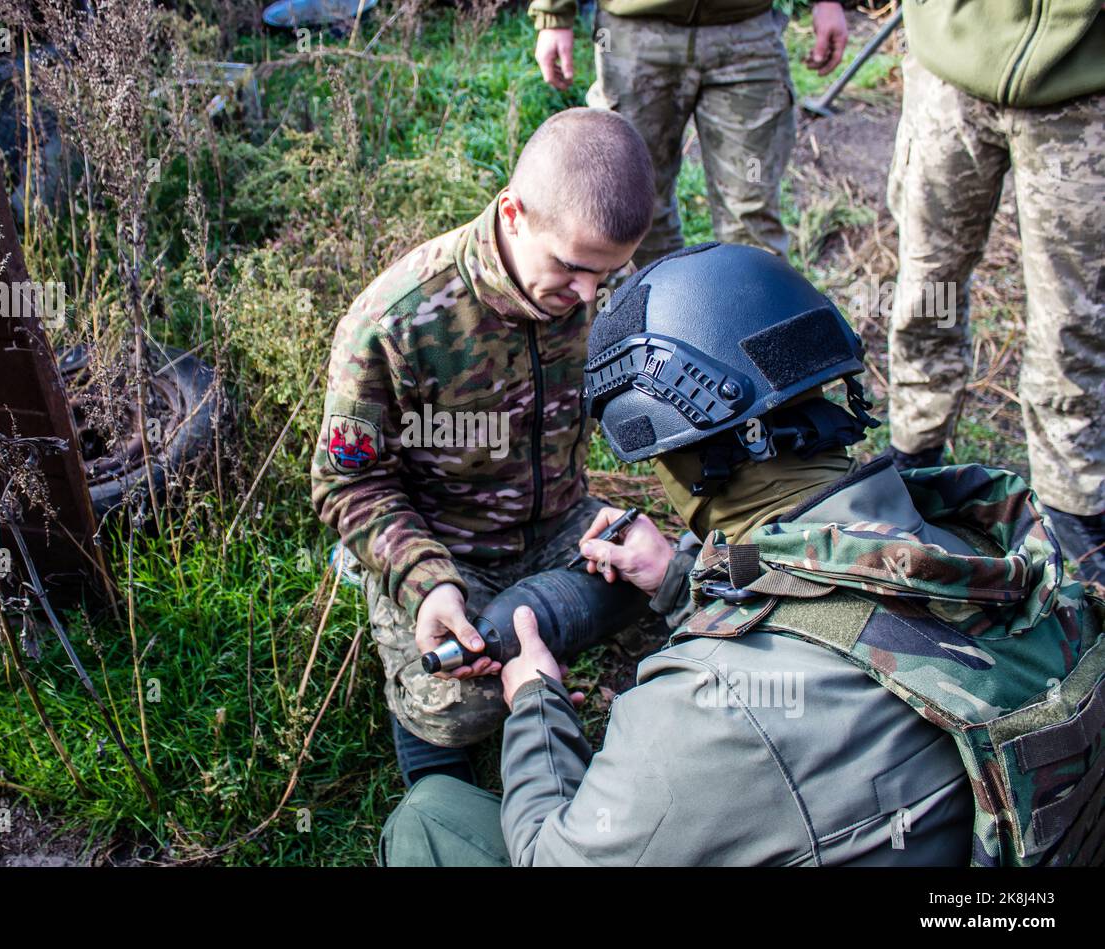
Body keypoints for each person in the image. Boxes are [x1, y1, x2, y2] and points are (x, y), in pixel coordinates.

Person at [380, 242, 1105, 866]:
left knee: (432, 817)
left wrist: (534, 701)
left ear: (674, 452)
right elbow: (852, 607)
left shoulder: (709, 708)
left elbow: (556, 855)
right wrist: (680, 579)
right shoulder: (997, 540)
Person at [311, 108, 660, 786]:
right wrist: (423, 579)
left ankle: (534, 633)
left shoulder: (592, 288)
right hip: (446, 544)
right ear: (514, 212)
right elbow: (346, 483)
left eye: (608, 273)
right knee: (457, 705)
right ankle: (431, 731)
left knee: (674, 591)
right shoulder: (396, 321)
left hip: (562, 520)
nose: (589, 295)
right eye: (572, 268)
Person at [884, 1, 1105, 581]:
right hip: (949, 64)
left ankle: (1070, 500)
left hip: (1088, 85)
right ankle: (914, 450)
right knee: (926, 289)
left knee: (1076, 315)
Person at [530, 0, 853, 264]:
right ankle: (651, 331)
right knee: (633, 208)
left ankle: (748, 337)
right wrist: (554, 12)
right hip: (634, 33)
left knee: (752, 215)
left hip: (747, 31)